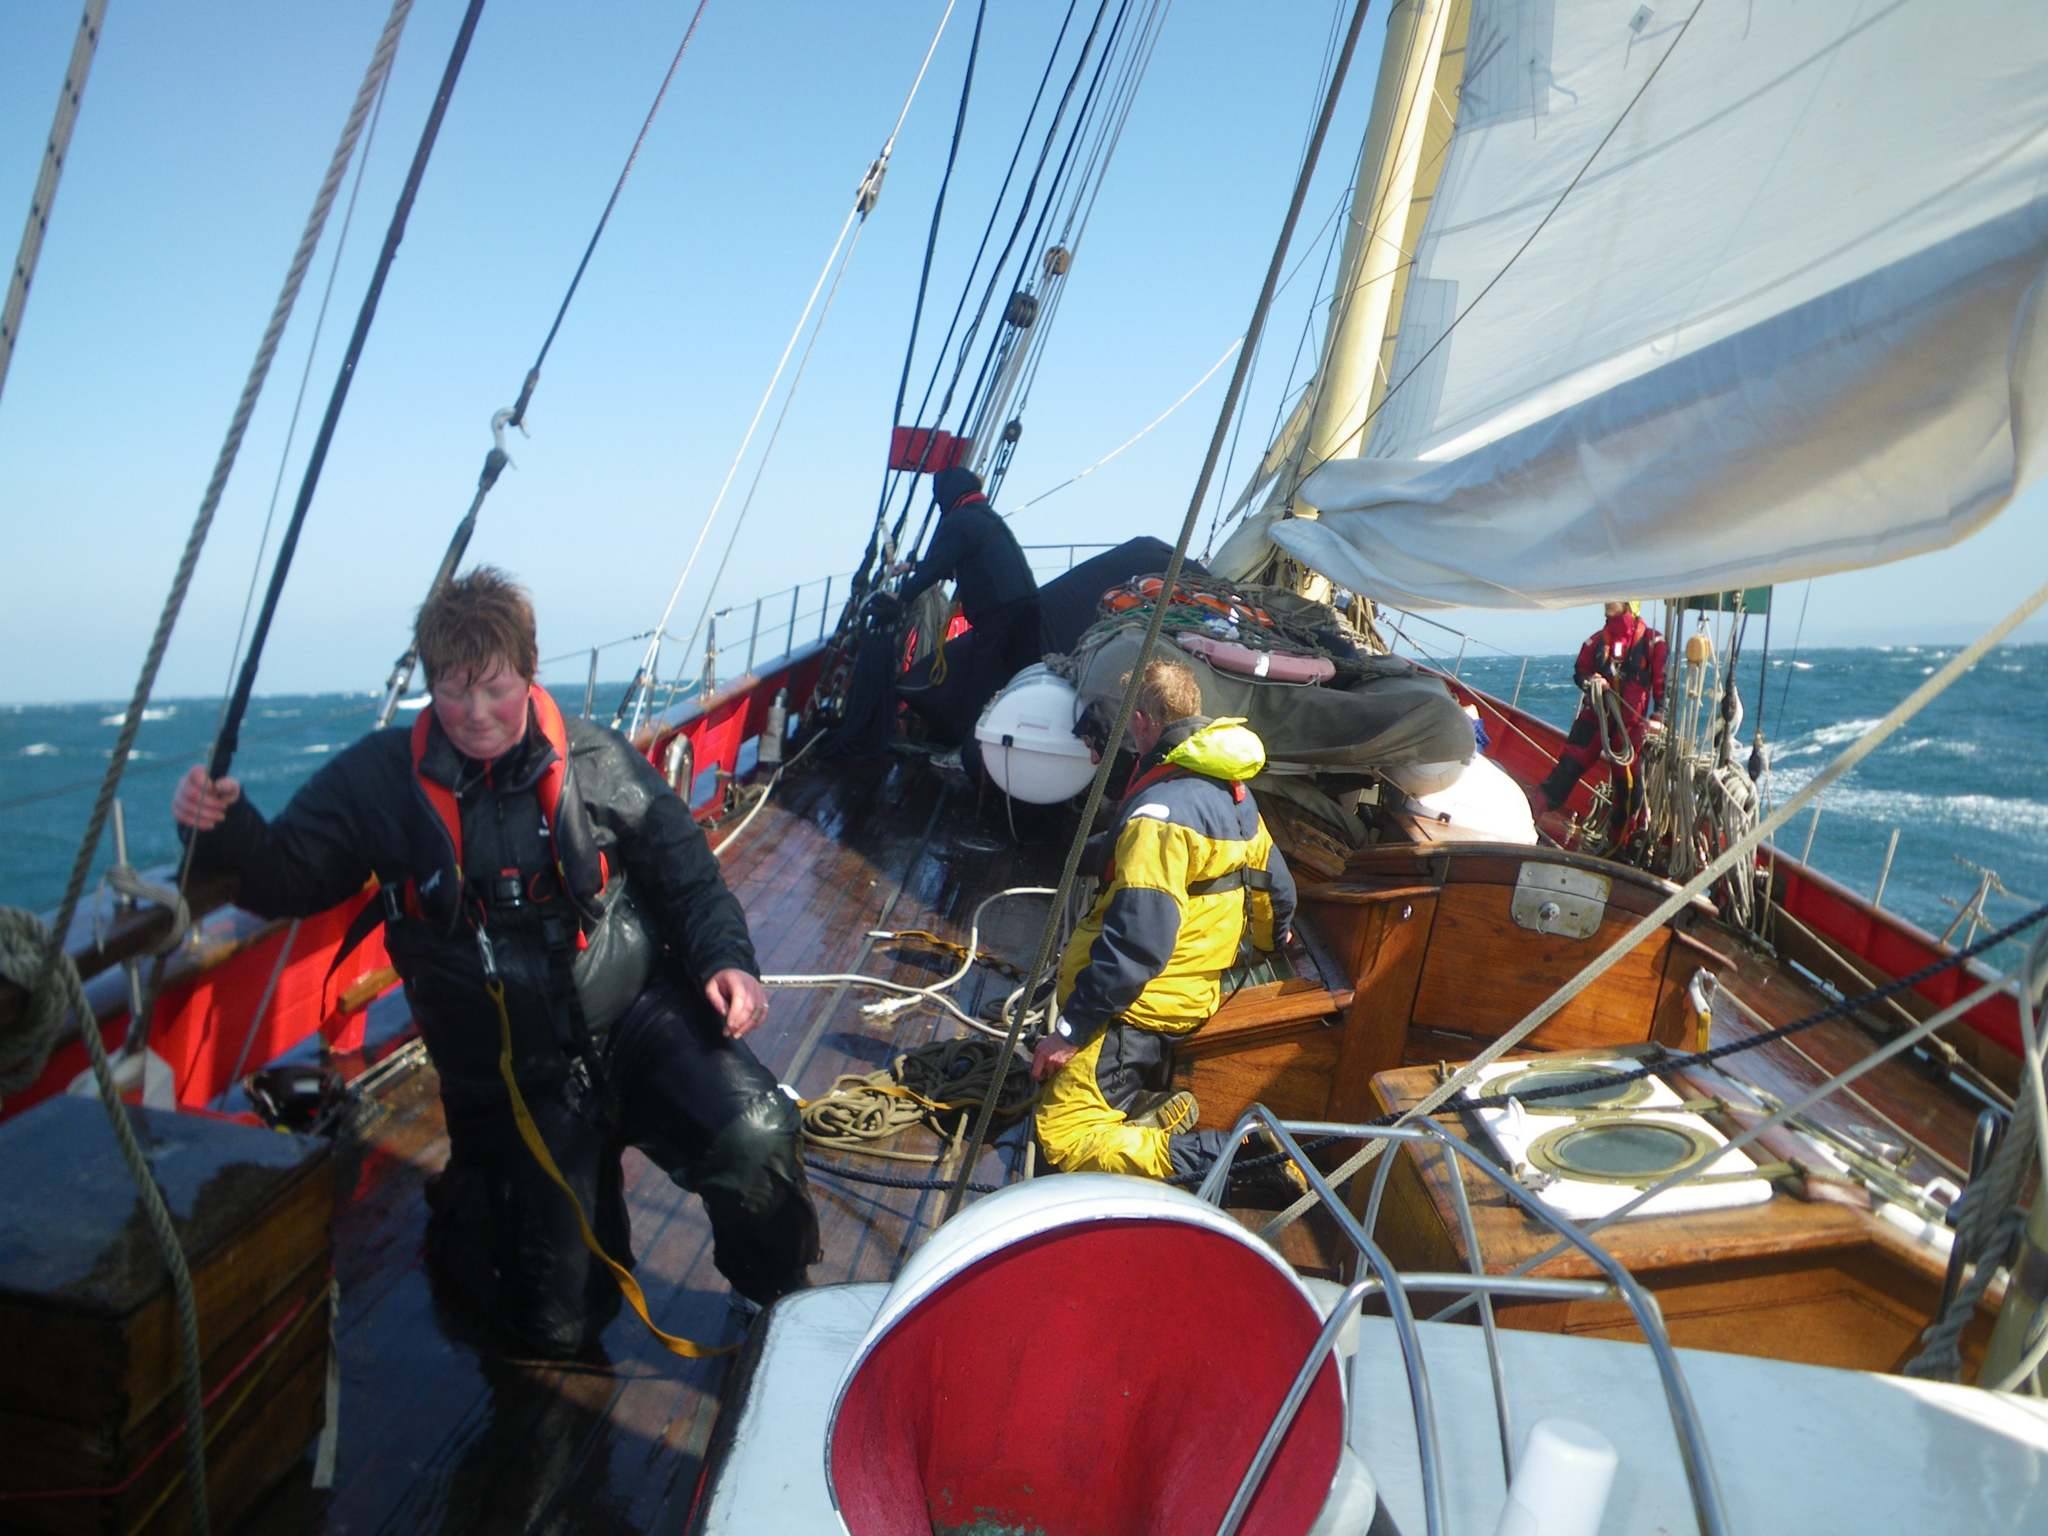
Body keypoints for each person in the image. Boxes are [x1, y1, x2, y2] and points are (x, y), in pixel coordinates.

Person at [173, 568, 817, 1357]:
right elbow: (286, 877)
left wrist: (727, 959)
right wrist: (223, 827)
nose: (475, 714)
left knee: (753, 1133)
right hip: (514, 1076)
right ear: (430, 684)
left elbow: (689, 874)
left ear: (529, 674)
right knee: (557, 1320)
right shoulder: (378, 783)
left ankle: (773, 1297)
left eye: (495, 688)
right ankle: (478, 1201)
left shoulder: (598, 760)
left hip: (635, 1021)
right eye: (453, 690)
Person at [1029, 658, 1298, 1183]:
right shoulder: (1236, 796)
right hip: (1194, 996)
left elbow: (1137, 945)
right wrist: (1271, 941)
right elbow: (1276, 894)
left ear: (1145, 723)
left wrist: (1068, 1030)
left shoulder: (1159, 814)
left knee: (1063, 1139)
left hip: (1133, 1012)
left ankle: (1245, 1157)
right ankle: (1154, 1107)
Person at [895, 465, 1043, 682]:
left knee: (983, 680)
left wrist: (899, 598)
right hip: (1028, 604)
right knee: (1024, 676)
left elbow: (935, 568)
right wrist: (914, 566)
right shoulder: (987, 517)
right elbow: (951, 559)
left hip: (998, 613)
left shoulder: (958, 520)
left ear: (946, 496)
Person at [1532, 600, 1668, 827]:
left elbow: (1662, 682)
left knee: (1628, 789)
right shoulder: (1596, 642)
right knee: (1567, 768)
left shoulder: (1653, 642)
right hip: (1595, 719)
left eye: (1616, 596)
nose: (1608, 600)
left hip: (1629, 728)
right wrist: (1591, 682)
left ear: (1629, 604)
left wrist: (1659, 717)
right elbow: (1580, 672)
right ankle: (1532, 814)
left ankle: (1622, 843)